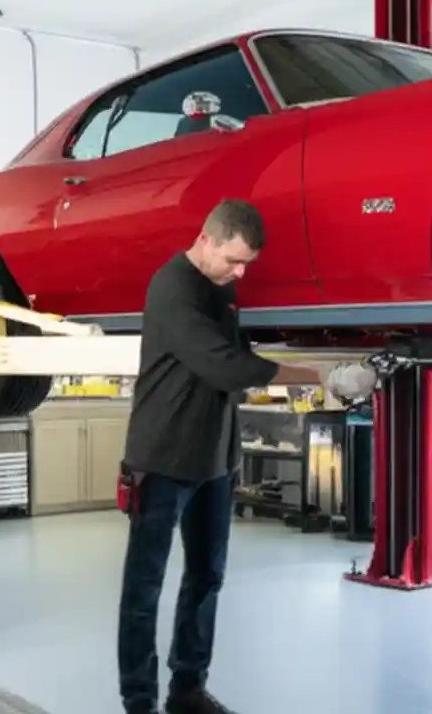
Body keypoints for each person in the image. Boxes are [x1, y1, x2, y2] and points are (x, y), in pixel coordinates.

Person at [117, 198, 318, 714]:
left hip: (215, 460)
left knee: (206, 577)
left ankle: (186, 688)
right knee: (144, 589)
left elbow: (232, 374)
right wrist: (317, 376)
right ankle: (139, 702)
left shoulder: (221, 290)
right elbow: (225, 367)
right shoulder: (173, 287)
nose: (240, 272)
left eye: (246, 262)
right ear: (205, 239)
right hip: (162, 458)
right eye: (233, 259)